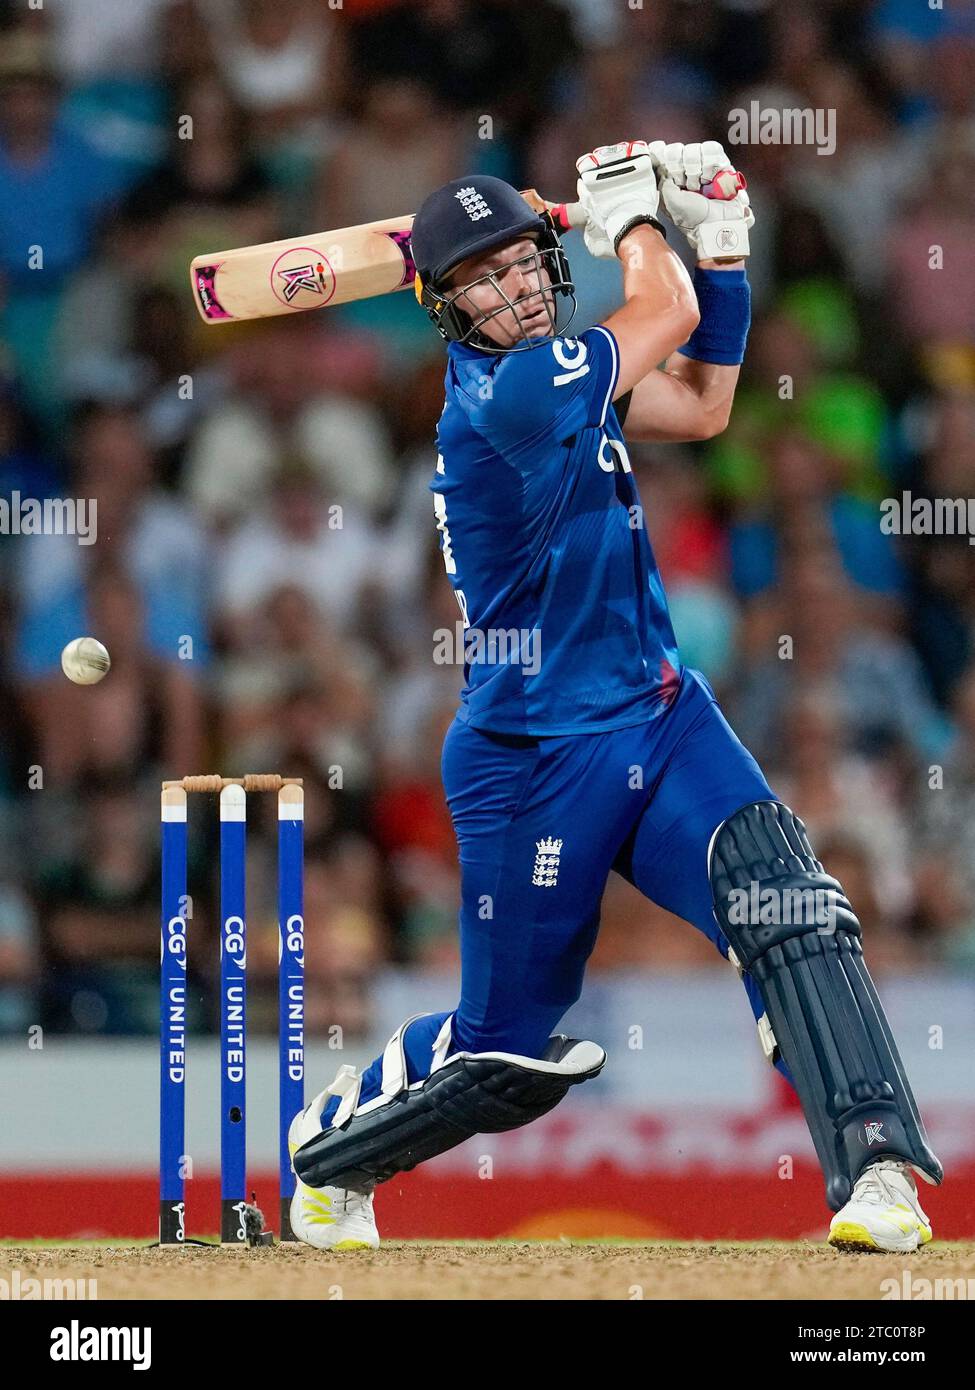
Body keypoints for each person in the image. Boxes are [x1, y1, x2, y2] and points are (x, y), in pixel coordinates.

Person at [287, 145, 942, 1252]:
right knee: (508, 1053)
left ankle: (878, 1172)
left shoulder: (562, 370)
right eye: (484, 281)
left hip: (659, 710)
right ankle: (329, 1158)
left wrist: (725, 250)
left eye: (524, 264)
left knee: (791, 907)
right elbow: (664, 302)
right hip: (532, 757)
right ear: (448, 313)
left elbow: (698, 408)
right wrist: (648, 224)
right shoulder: (511, 400)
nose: (518, 290)